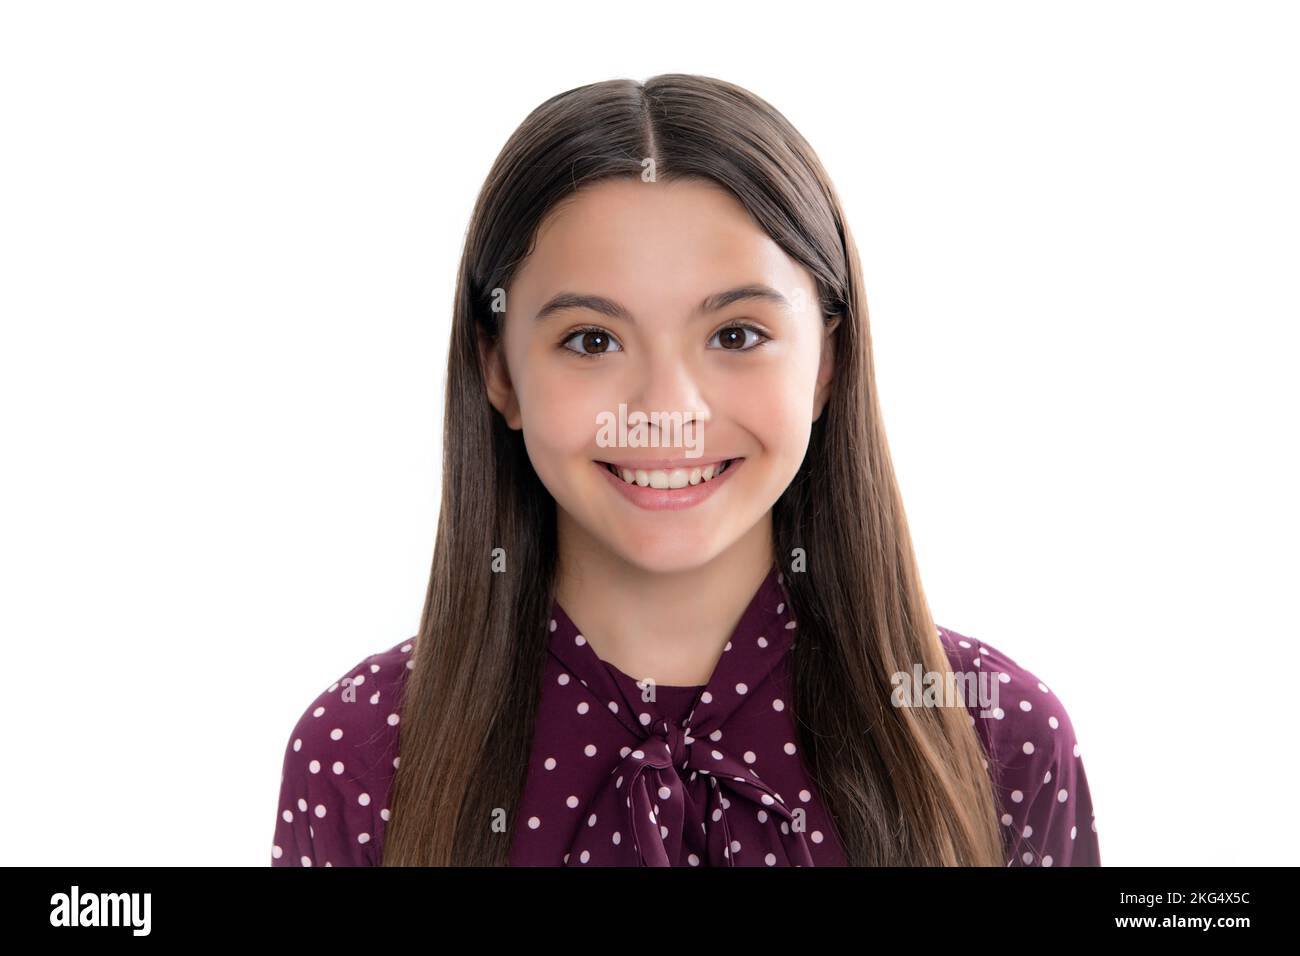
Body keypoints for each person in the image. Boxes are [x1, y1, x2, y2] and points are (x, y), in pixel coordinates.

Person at [270, 73, 1100, 867]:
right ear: (499, 371)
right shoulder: (363, 754)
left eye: (736, 334)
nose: (667, 407)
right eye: (592, 340)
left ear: (825, 363)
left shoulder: (999, 738)